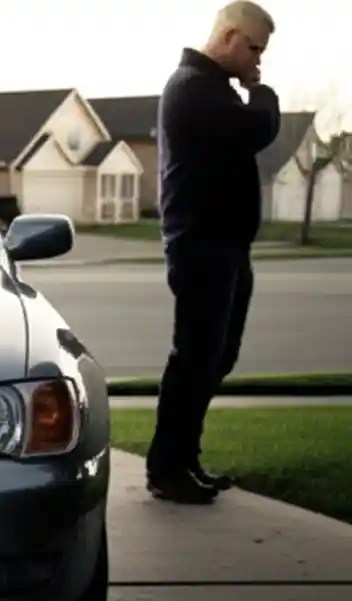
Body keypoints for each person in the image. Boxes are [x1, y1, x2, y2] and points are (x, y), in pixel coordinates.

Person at [146, 1, 282, 504]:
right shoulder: (192, 88)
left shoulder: (211, 89)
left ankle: (184, 459)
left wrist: (249, 89)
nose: (257, 61)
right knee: (195, 358)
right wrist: (262, 92)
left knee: (216, 357)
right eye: (253, 49)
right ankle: (167, 468)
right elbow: (258, 129)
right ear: (227, 37)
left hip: (223, 246)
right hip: (201, 246)